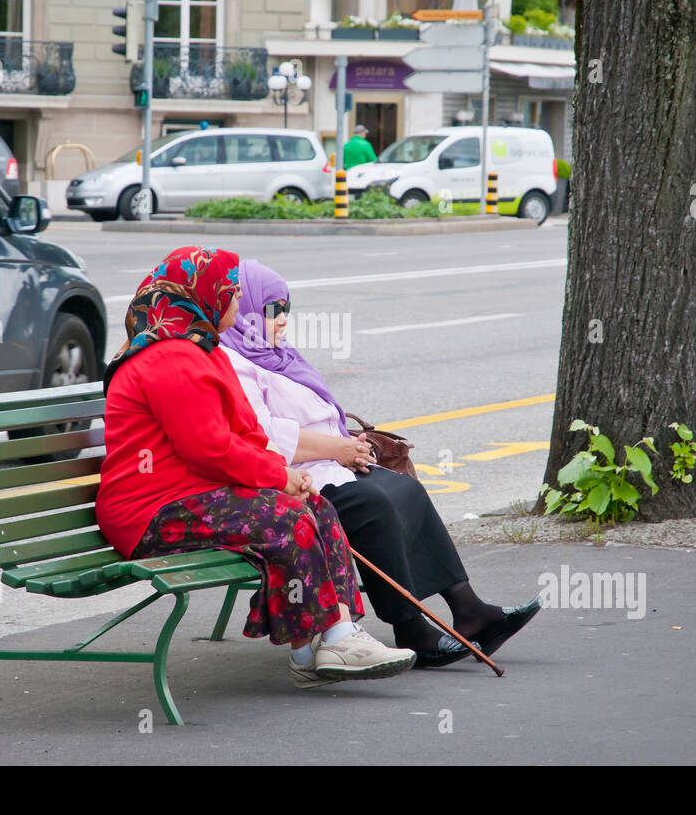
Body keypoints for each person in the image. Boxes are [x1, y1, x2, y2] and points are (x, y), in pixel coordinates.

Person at [95, 245, 416, 689]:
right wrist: (277, 477)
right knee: (286, 521)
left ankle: (323, 647)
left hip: (194, 495)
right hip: (149, 511)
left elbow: (247, 433)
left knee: (317, 508)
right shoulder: (169, 359)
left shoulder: (203, 351)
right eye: (229, 293)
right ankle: (326, 643)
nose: (235, 302)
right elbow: (209, 448)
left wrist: (288, 477)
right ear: (202, 295)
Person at [219, 259, 542, 668]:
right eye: (271, 310)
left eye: (286, 308)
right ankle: (412, 629)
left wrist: (346, 445)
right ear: (245, 310)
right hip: (293, 478)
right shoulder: (234, 363)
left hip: (330, 464)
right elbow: (265, 437)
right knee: (375, 506)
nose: (282, 319)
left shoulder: (276, 354)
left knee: (403, 489)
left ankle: (469, 609)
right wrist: (337, 449)